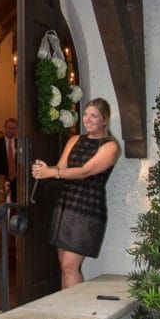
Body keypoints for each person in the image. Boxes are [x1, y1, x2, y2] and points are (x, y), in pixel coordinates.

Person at [31, 98, 120, 289]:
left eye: (94, 115)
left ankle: (74, 313)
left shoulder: (111, 146)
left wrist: (52, 172)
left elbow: (85, 171)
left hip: (87, 208)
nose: (87, 119)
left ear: (104, 120)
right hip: (65, 204)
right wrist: (46, 169)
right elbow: (61, 168)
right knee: (64, 265)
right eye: (86, 114)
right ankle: (66, 312)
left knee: (70, 265)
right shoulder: (74, 140)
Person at [0, 117, 18, 200]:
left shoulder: (20, 144)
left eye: (13, 128)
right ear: (5, 128)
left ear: (17, 129)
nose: (11, 130)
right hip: (1, 181)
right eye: (9, 128)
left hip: (17, 182)